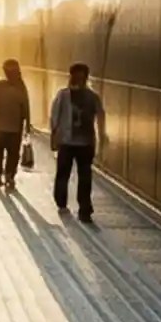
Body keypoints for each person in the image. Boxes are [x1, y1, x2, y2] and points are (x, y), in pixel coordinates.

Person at [49, 62, 108, 223]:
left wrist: (102, 136)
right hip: (67, 142)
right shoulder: (63, 95)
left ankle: (84, 208)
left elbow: (101, 116)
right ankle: (62, 201)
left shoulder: (92, 97)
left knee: (84, 176)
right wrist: (54, 137)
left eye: (81, 77)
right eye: (76, 76)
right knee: (65, 174)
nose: (78, 80)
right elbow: (54, 117)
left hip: (85, 143)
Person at [0, 59, 30, 189]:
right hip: (2, 127)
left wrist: (28, 125)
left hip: (12, 127)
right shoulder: (1, 86)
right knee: (3, 153)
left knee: (10, 153)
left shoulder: (13, 87)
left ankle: (7, 175)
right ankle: (0, 176)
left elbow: (26, 108)